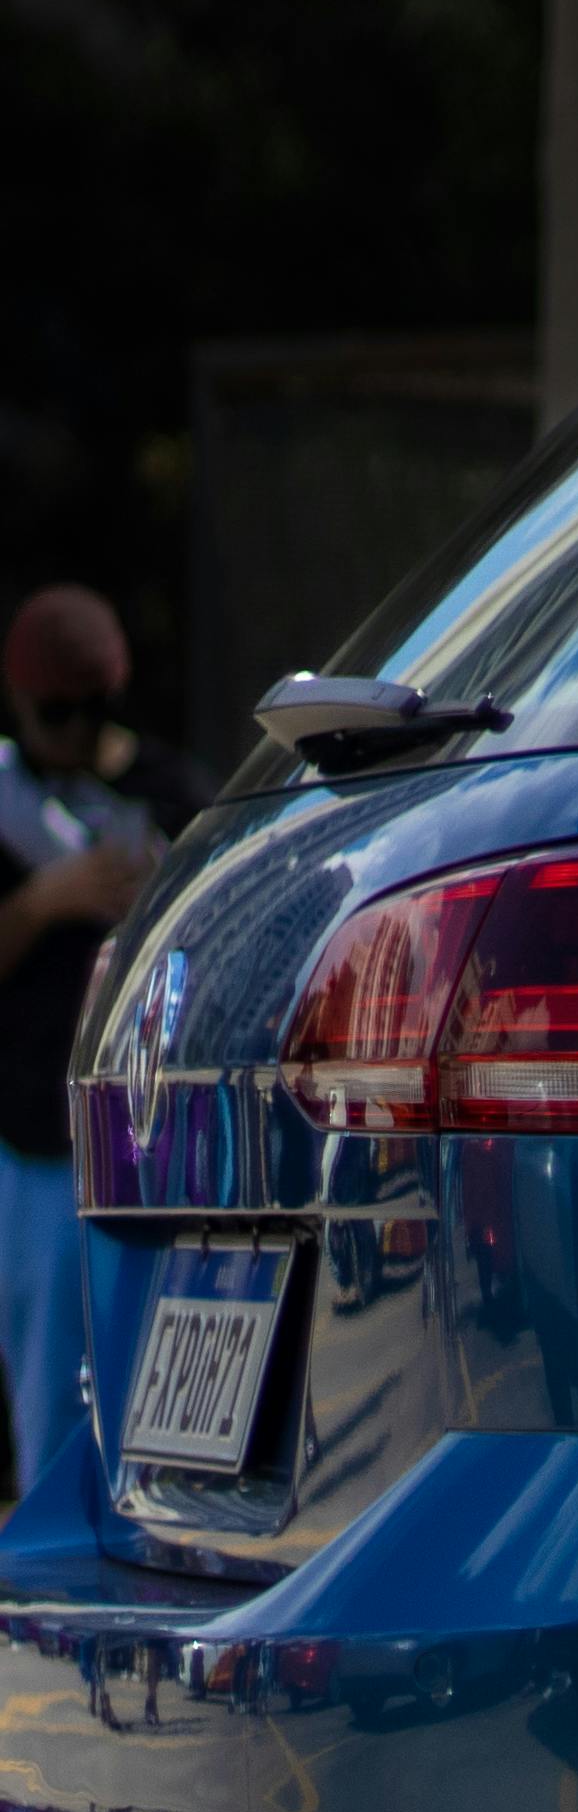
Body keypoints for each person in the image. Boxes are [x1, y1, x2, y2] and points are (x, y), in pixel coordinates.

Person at [0, 587, 200, 1501]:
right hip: (36, 1146)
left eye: (96, 710)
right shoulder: (8, 800)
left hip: (155, 1145)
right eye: (56, 713)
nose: (76, 733)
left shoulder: (174, 796)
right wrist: (47, 901)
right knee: (46, 1396)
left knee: (155, 1385)